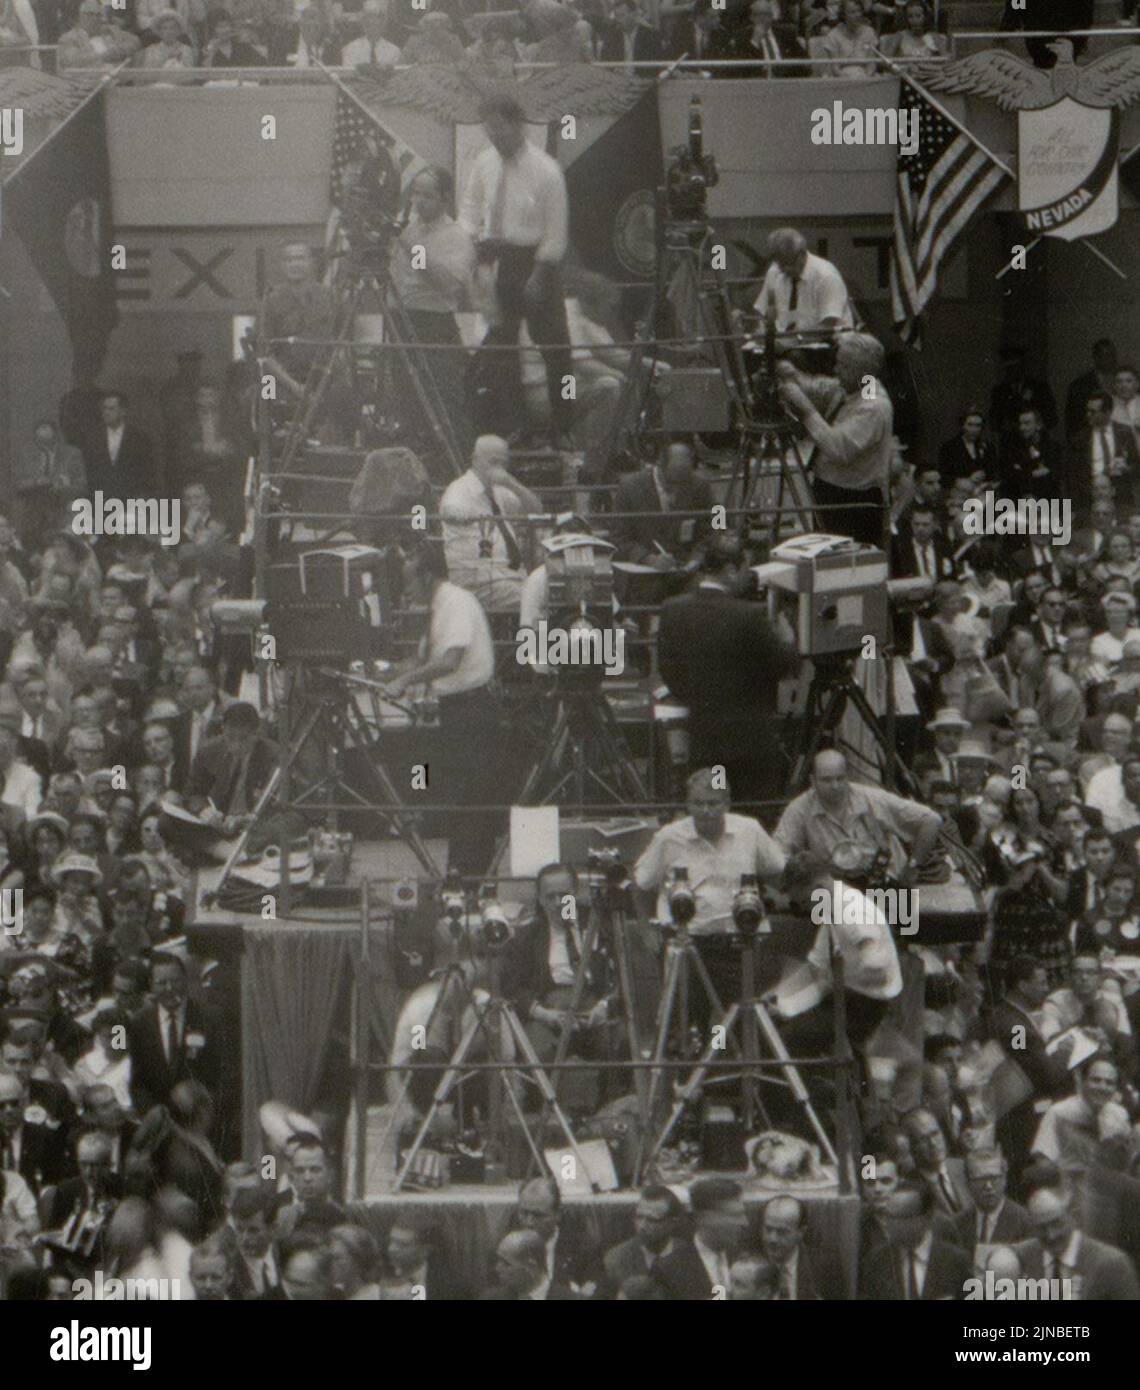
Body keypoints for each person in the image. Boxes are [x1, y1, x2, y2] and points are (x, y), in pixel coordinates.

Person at [459, 94, 574, 448]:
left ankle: (563, 427)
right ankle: (516, 426)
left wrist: (539, 276)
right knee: (502, 351)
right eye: (488, 129)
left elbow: (556, 232)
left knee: (556, 349)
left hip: (537, 263)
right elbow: (469, 208)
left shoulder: (546, 170)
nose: (494, 136)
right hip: (499, 262)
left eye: (500, 128)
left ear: (517, 124)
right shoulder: (483, 163)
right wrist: (473, 244)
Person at [385, 541, 499, 875]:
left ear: (427, 576)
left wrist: (406, 681)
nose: (406, 590)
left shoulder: (455, 603)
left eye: (409, 581)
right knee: (459, 790)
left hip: (473, 708)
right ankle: (463, 869)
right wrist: (391, 672)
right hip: (458, 709)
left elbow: (449, 661)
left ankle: (467, 872)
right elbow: (424, 659)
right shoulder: (440, 606)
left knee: (468, 793)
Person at [657, 537, 799, 805]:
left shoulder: (672, 610)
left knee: (712, 810)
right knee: (750, 813)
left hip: (703, 737)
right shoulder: (749, 615)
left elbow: (668, 671)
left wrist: (697, 697)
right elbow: (780, 667)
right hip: (750, 744)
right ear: (731, 570)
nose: (749, 577)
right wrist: (789, 640)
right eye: (746, 570)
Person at [389, 166, 476, 470]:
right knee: (406, 400)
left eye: (428, 195)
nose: (419, 201)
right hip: (402, 320)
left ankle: (455, 470)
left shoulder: (457, 236)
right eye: (415, 193)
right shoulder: (409, 230)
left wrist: (411, 248)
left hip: (434, 324)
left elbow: (449, 283)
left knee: (443, 401)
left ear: (445, 198)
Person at [777, 332, 893, 546]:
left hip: (853, 504)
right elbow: (824, 387)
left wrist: (805, 407)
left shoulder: (874, 406)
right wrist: (793, 375)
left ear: (863, 371)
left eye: (843, 366)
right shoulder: (861, 387)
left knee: (842, 565)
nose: (836, 370)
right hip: (830, 492)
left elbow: (838, 448)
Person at [775, 749, 943, 881]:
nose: (835, 786)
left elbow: (931, 820)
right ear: (812, 781)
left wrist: (913, 866)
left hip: (885, 883)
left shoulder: (872, 798)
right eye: (826, 780)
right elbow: (778, 855)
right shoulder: (799, 808)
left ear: (848, 776)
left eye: (840, 778)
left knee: (903, 921)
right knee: (824, 916)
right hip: (834, 889)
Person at [438, 435, 542, 617]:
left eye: (503, 464)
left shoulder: (499, 492)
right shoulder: (460, 489)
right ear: (475, 460)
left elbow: (536, 509)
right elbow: (449, 510)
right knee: (536, 602)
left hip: (508, 579)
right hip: (478, 582)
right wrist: (462, 516)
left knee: (553, 593)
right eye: (494, 462)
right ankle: (536, 645)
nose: (499, 469)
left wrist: (511, 483)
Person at [125, 952, 223, 1116]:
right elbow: (137, 1081)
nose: (169, 989)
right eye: (162, 983)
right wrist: (154, 1115)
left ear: (185, 980)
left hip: (202, 1119)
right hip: (160, 1122)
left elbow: (223, 1073)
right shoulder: (138, 1023)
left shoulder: (211, 1019)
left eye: (175, 981)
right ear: (151, 985)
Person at [1015, 1183, 1140, 1298]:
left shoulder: (1112, 1264)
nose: (1051, 1234)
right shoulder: (1024, 1256)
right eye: (1041, 1228)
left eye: (1057, 1224)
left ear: (1073, 1216)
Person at [609, 441, 714, 570]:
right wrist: (648, 558)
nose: (678, 488)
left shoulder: (700, 485)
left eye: (684, 481)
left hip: (688, 568)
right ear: (660, 466)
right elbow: (618, 537)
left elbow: (719, 513)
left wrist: (700, 554)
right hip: (645, 573)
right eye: (672, 482)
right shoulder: (629, 488)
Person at [858, 1181, 972, 1299]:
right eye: (888, 1216)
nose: (890, 1224)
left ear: (927, 1218)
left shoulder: (956, 1262)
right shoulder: (876, 1262)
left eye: (900, 1218)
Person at [653, 1177, 749, 1299]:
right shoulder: (669, 1270)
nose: (745, 1223)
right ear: (704, 1218)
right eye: (735, 1216)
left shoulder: (745, 1260)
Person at [752, 228, 853, 336]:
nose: (784, 269)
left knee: (795, 354)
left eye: (787, 263)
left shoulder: (826, 276)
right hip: (784, 342)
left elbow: (828, 325)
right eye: (779, 263)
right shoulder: (775, 270)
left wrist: (793, 341)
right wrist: (761, 329)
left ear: (802, 254)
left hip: (828, 342)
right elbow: (760, 310)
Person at [601, 1185, 686, 1294]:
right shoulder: (616, 1259)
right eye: (639, 1217)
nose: (642, 1226)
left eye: (652, 1220)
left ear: (671, 1223)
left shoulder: (688, 1254)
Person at [82, 392, 157, 501]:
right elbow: (88, 472)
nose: (106, 413)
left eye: (111, 409)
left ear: (123, 411)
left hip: (130, 502)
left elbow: (147, 475)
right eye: (104, 409)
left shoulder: (139, 438)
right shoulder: (92, 438)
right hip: (99, 502)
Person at [812, 0, 878, 77]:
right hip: (842, 79)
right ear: (843, 15)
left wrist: (866, 76)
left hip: (864, 77)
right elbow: (835, 68)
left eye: (859, 11)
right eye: (852, 12)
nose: (857, 15)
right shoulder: (833, 35)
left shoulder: (869, 32)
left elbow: (871, 64)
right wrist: (849, 79)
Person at [341, 0, 400, 65]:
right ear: (363, 22)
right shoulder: (350, 49)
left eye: (378, 17)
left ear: (384, 22)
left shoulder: (394, 51)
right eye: (368, 17)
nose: (372, 21)